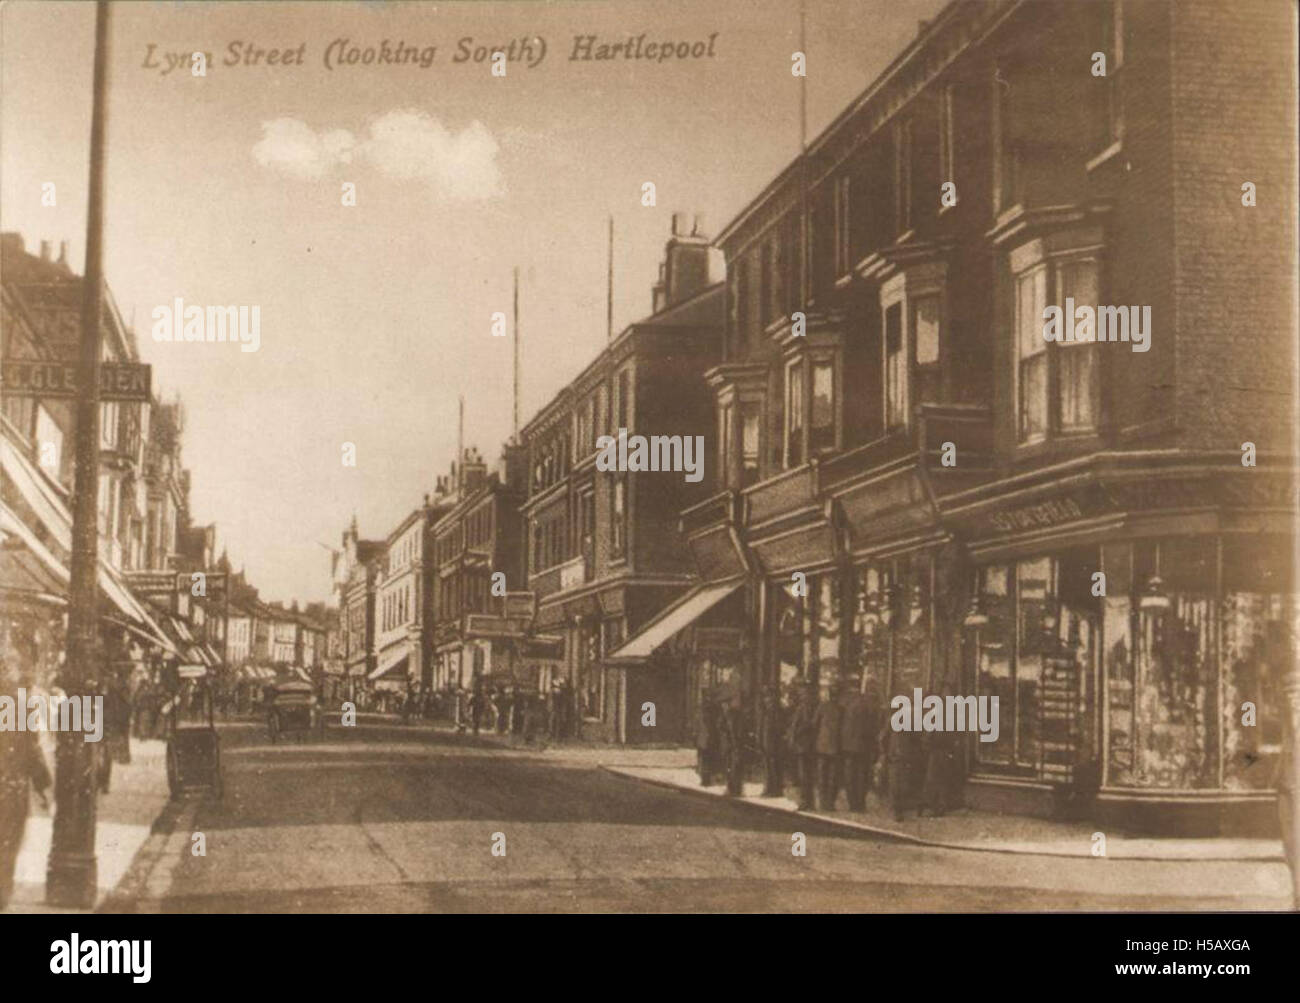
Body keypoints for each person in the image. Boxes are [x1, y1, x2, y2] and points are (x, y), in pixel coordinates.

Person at [1, 651, 53, 911]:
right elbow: (32, 748)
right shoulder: (19, 703)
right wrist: (42, 786)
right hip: (10, 789)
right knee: (6, 847)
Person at [840, 677, 881, 812]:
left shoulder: (847, 702)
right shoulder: (870, 704)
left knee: (850, 775)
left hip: (848, 745)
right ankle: (860, 804)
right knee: (862, 775)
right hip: (864, 745)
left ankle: (853, 804)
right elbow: (874, 727)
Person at [785, 681, 818, 811]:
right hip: (803, 744)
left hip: (804, 745)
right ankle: (806, 801)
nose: (800, 694)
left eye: (802, 691)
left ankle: (806, 801)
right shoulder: (805, 706)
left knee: (805, 774)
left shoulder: (806, 707)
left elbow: (808, 724)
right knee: (804, 774)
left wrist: (795, 733)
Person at [814, 682, 843, 811]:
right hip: (836, 746)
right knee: (833, 776)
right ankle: (830, 803)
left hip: (822, 745)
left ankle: (822, 802)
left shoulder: (822, 706)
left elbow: (814, 723)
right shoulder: (841, 709)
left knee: (822, 775)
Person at [757, 684, 786, 797]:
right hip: (766, 744)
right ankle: (769, 788)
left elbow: (780, 729)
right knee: (768, 766)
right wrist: (759, 742)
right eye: (766, 697)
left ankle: (775, 790)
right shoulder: (765, 712)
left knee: (773, 767)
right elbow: (761, 729)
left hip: (774, 745)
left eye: (769, 697)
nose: (767, 700)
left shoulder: (777, 712)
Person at [720, 692, 746, 796]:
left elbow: (738, 732)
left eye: (725, 704)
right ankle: (730, 788)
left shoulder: (735, 715)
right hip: (727, 746)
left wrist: (737, 745)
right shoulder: (724, 716)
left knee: (735, 767)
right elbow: (721, 729)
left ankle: (736, 790)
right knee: (728, 767)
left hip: (735, 746)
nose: (723, 707)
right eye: (722, 705)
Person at [696, 688, 721, 786]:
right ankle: (706, 779)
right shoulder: (706, 709)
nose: (706, 698)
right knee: (706, 758)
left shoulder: (709, 709)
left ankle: (706, 779)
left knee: (707, 758)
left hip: (708, 738)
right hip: (706, 738)